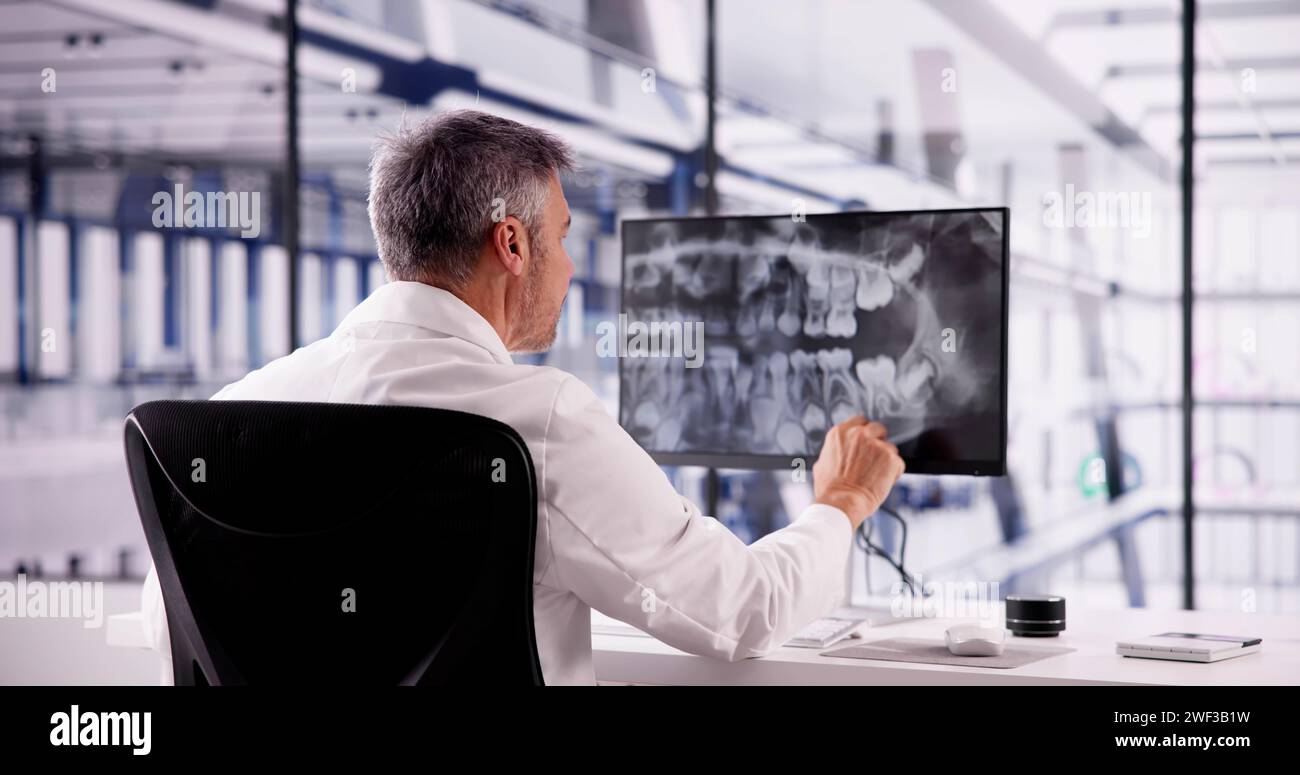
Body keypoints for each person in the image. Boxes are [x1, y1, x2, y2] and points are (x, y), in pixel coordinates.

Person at [141, 110, 905, 685]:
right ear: (511, 244)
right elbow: (741, 610)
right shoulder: (540, 421)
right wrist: (840, 501)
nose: (570, 268)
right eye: (564, 237)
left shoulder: (236, 411)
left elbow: (162, 612)